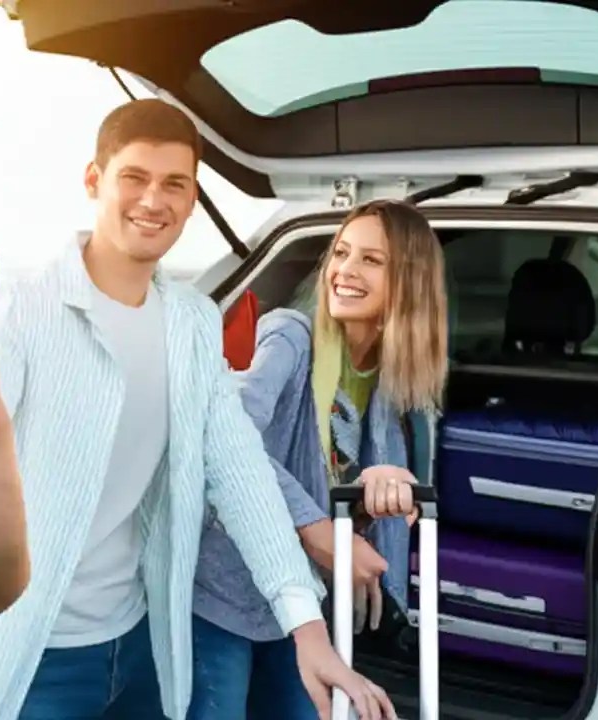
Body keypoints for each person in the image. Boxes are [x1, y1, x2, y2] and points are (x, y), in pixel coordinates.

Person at [0, 98, 402, 720]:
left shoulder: (191, 323)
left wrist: (306, 626)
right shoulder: (21, 309)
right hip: (29, 656)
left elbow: (240, 474)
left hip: (142, 651)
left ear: (192, 198)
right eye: (135, 178)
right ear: (94, 181)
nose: (154, 201)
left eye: (175, 184)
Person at [187, 199, 449, 718]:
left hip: (300, 601)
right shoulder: (291, 334)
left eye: (371, 260)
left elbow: (333, 482)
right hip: (224, 590)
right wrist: (316, 528)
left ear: (411, 282)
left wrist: (376, 491)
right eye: (342, 253)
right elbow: (230, 438)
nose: (345, 271)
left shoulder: (392, 388)